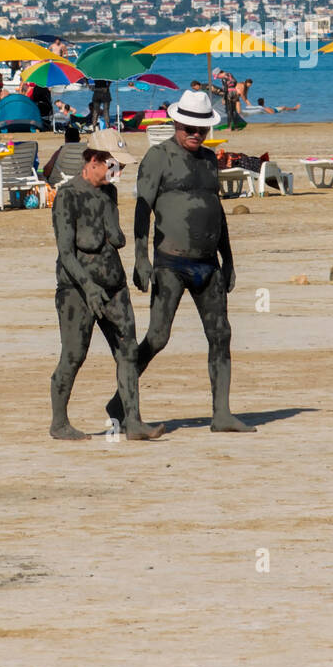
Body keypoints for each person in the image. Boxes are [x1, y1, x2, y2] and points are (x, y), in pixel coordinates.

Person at [106, 90, 255, 435]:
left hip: (209, 265)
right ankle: (121, 402)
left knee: (221, 335)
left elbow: (216, 210)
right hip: (170, 263)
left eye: (201, 128)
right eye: (189, 126)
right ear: (177, 122)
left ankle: (221, 414)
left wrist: (228, 259)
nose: (195, 133)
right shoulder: (158, 157)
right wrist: (140, 258)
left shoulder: (208, 159)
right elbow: (143, 209)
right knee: (158, 337)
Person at [49, 129, 163, 442]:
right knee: (74, 355)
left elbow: (114, 237)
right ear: (96, 160)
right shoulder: (67, 196)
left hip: (115, 287)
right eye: (116, 165)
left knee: (128, 351)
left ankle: (133, 420)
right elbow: (66, 252)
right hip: (77, 290)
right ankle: (59, 423)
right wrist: (88, 287)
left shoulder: (109, 193)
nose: (120, 172)